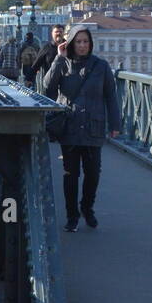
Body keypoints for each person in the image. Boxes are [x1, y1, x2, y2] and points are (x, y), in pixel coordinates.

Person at [42, 23, 121, 231]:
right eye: (78, 42)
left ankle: (87, 208)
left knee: (93, 173)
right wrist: (59, 58)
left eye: (86, 42)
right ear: (71, 43)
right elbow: (47, 88)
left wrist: (115, 124)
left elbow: (111, 96)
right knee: (70, 174)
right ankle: (72, 216)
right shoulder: (63, 63)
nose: (82, 45)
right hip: (70, 126)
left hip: (94, 126)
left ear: (90, 43)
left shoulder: (101, 66)